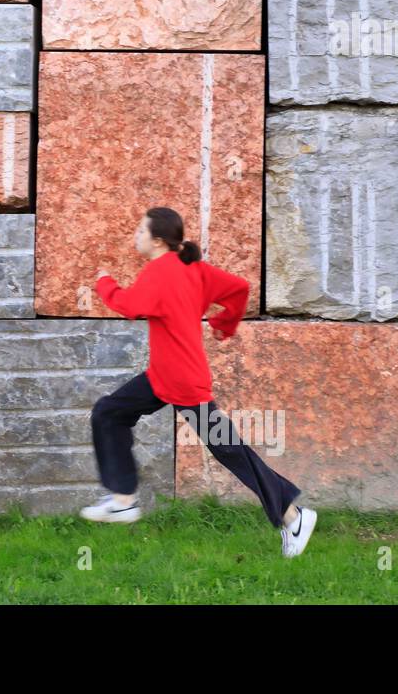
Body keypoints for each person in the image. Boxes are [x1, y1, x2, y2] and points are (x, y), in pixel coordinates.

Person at [81, 205, 316, 559]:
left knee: (229, 450)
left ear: (158, 241)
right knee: (109, 413)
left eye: (141, 231)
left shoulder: (160, 271)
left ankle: (294, 517)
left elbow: (130, 305)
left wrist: (104, 283)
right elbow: (239, 289)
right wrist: (225, 324)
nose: (135, 236)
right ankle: (123, 500)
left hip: (183, 383)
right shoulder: (193, 268)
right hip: (165, 377)